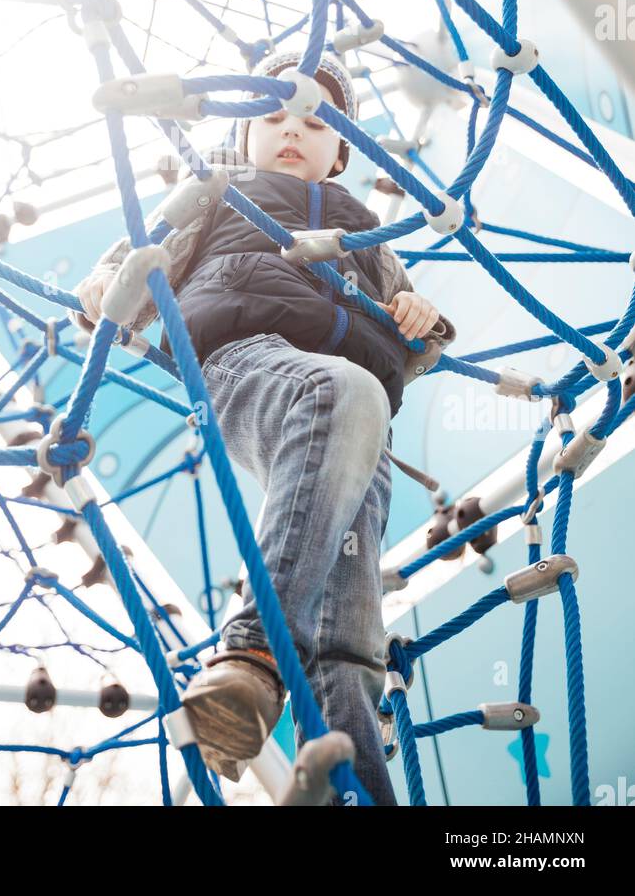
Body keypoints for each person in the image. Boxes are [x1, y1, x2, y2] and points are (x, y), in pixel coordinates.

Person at [69, 50, 456, 805]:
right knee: (342, 391)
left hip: (362, 419)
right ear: (243, 135)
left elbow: (416, 339)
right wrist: (106, 288)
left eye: (314, 121)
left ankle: (354, 789)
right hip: (247, 360)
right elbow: (137, 267)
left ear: (340, 151)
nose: (291, 130)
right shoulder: (219, 192)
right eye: (273, 116)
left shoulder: (368, 234)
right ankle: (251, 656)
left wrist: (420, 319)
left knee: (352, 629)